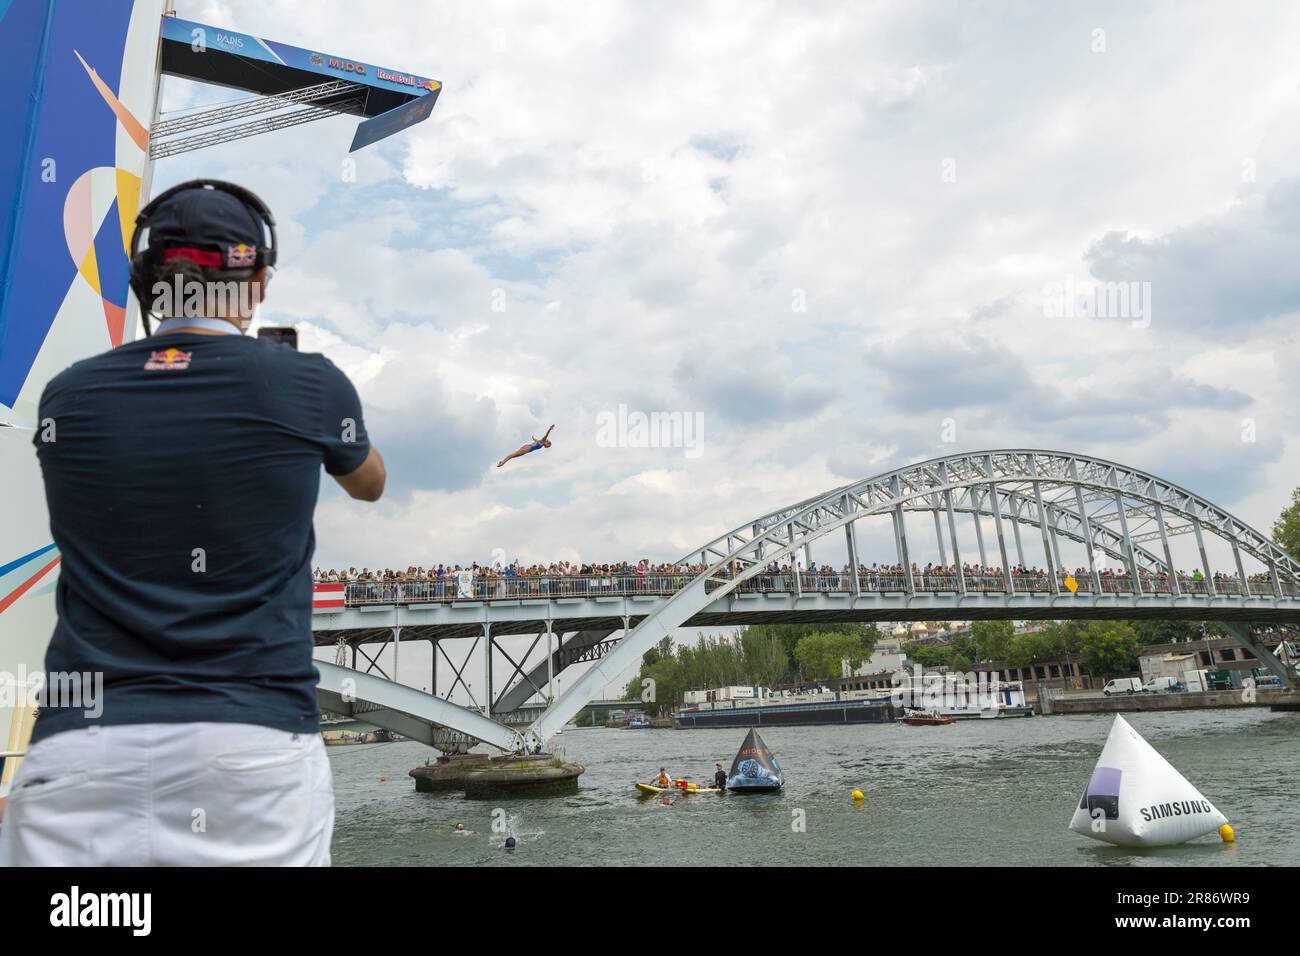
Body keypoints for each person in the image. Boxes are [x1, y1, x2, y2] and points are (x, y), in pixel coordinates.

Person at [0, 180, 386, 868]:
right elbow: (370, 483)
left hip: (78, 752)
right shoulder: (307, 383)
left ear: (146, 284)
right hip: (251, 748)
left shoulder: (70, 394)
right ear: (259, 281)